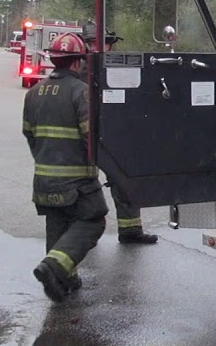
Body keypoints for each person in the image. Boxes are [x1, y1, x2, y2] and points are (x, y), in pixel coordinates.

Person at [22, 32, 107, 302]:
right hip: (77, 181)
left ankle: (62, 280)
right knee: (93, 221)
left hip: (44, 179)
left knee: (57, 224)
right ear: (76, 62)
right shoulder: (81, 92)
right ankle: (55, 267)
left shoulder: (34, 92)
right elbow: (90, 138)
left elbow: (29, 134)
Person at [78, 21, 157, 245]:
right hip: (84, 135)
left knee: (124, 179)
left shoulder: (118, 67)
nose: (99, 47)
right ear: (85, 45)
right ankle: (80, 232)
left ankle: (130, 230)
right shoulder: (77, 70)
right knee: (82, 184)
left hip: (113, 134)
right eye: (93, 43)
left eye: (104, 43)